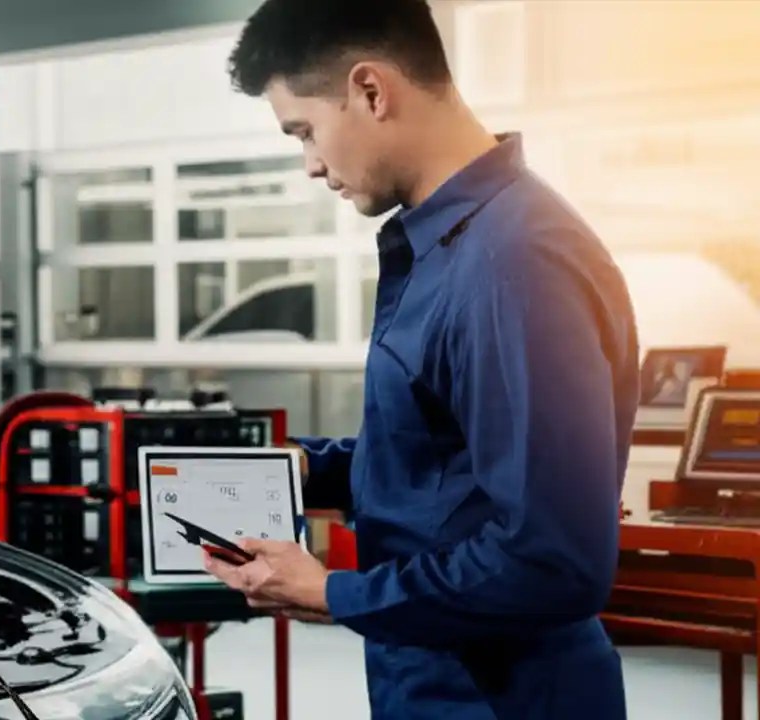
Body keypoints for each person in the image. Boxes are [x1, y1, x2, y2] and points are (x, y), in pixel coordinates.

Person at [201, 1, 640, 718]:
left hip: (504, 697)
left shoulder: (514, 260)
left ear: (371, 91)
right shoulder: (451, 244)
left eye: (305, 131)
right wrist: (305, 467)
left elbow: (552, 560)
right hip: (437, 682)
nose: (311, 164)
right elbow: (447, 469)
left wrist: (328, 591)